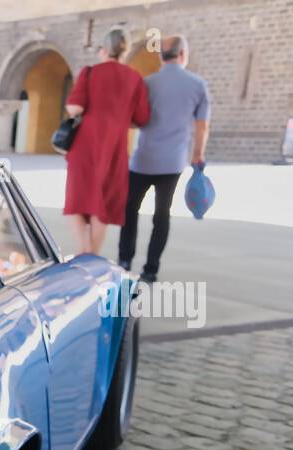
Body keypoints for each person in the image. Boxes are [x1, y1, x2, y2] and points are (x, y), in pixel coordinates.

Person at [119, 35, 211, 282]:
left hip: (142, 160)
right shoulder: (197, 84)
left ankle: (124, 261)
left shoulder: (147, 83)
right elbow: (202, 126)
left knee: (130, 211)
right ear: (182, 55)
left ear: (161, 56)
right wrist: (198, 155)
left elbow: (131, 120)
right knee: (162, 215)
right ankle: (151, 269)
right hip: (172, 162)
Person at [63, 28, 150, 256]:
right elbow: (141, 118)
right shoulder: (135, 78)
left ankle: (83, 252)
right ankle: (92, 257)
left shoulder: (90, 72)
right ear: (125, 50)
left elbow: (75, 108)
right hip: (115, 150)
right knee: (101, 205)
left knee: (76, 201)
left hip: (85, 147)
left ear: (104, 49)